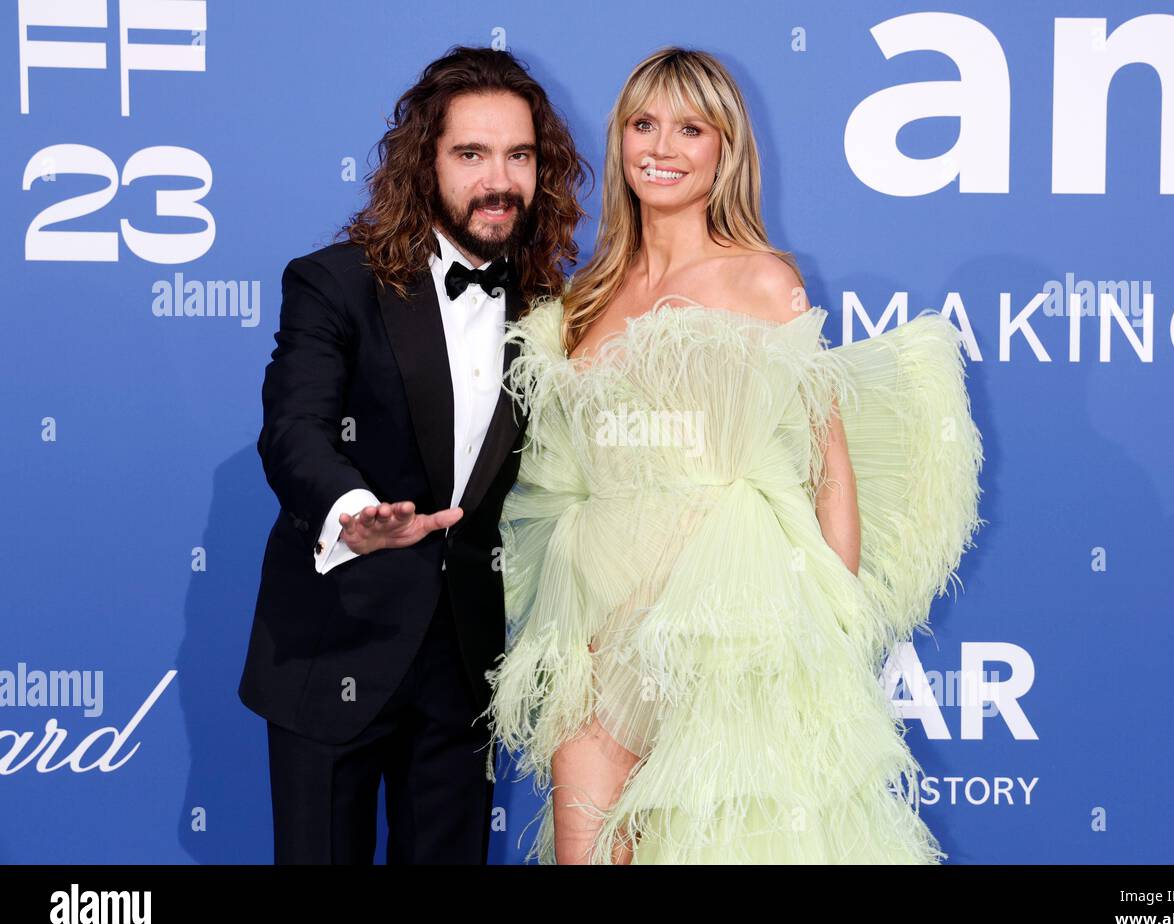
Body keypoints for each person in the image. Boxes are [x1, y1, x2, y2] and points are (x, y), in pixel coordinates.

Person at [480, 46, 986, 864]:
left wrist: (831, 634)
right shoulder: (582, 299)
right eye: (644, 124)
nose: (662, 147)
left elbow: (830, 469)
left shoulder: (763, 280)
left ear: (726, 150)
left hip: (730, 634)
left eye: (690, 128)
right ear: (620, 142)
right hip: (601, 631)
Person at [238, 45, 589, 864]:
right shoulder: (335, 284)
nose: (498, 179)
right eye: (471, 153)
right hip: (334, 645)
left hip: (463, 670)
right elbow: (294, 432)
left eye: (519, 155)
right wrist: (355, 515)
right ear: (423, 161)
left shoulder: (553, 312)